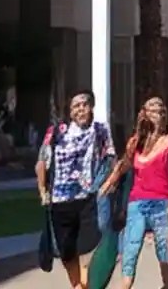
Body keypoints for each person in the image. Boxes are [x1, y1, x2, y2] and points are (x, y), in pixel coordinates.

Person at [101, 97, 168, 289]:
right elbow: (124, 164)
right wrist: (110, 181)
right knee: (130, 252)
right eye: (154, 110)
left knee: (164, 255)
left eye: (162, 111)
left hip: (163, 204)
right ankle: (125, 285)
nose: (159, 114)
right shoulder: (136, 143)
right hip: (137, 204)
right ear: (145, 114)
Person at [37, 91, 116, 289]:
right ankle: (78, 285)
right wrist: (42, 190)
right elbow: (42, 162)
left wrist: (106, 184)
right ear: (70, 111)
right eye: (76, 106)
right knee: (66, 251)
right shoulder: (56, 132)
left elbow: (111, 158)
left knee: (87, 246)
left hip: (86, 197)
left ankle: (84, 285)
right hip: (60, 200)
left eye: (85, 105)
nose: (81, 109)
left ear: (91, 108)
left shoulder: (100, 130)